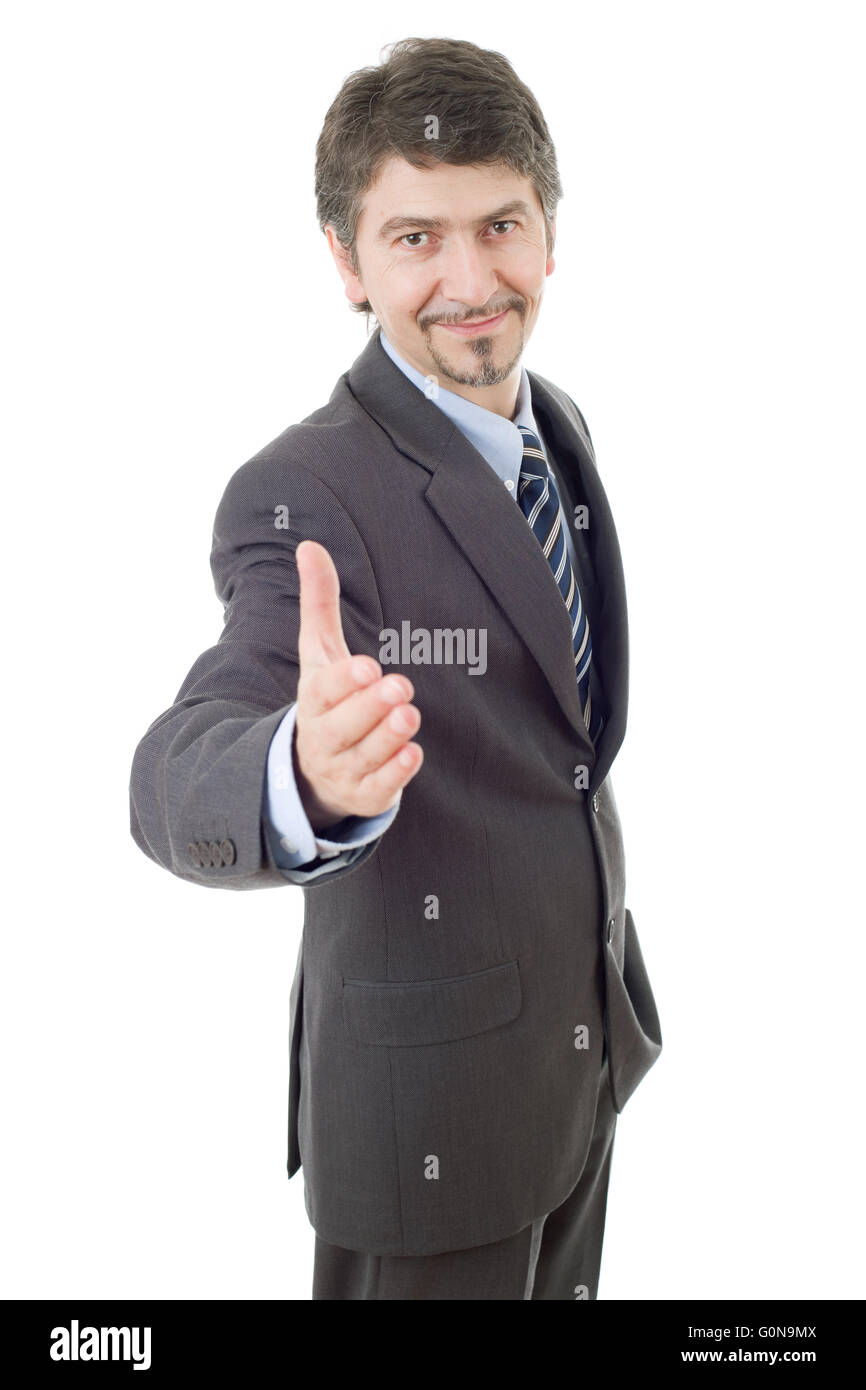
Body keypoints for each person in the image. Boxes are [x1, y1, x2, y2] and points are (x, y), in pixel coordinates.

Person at [129, 35, 662, 1300]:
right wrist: (296, 773)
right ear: (345, 263)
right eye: (415, 237)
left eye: (500, 225)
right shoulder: (305, 489)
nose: (470, 280)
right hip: (431, 1122)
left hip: (579, 1066)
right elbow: (181, 760)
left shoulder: (554, 425)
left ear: (548, 232)